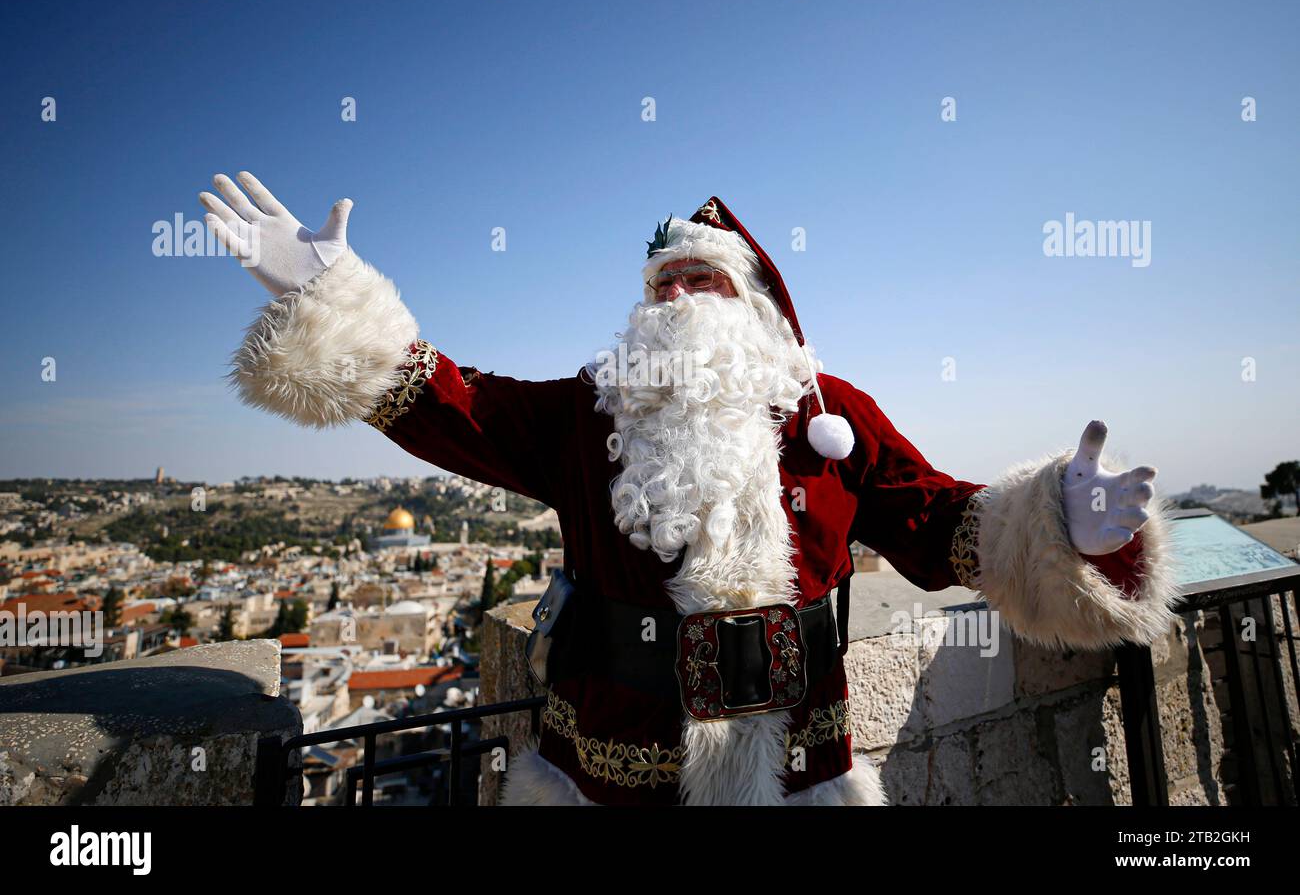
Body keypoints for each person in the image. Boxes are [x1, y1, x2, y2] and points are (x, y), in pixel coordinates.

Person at [201, 172, 1178, 805]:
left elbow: (941, 522)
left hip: (803, 768)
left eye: (699, 282)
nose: (673, 298)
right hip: (609, 772)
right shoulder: (588, 410)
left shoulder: (829, 413)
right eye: (660, 283)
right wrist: (330, 301)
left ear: (753, 304)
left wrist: (1059, 523)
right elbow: (458, 404)